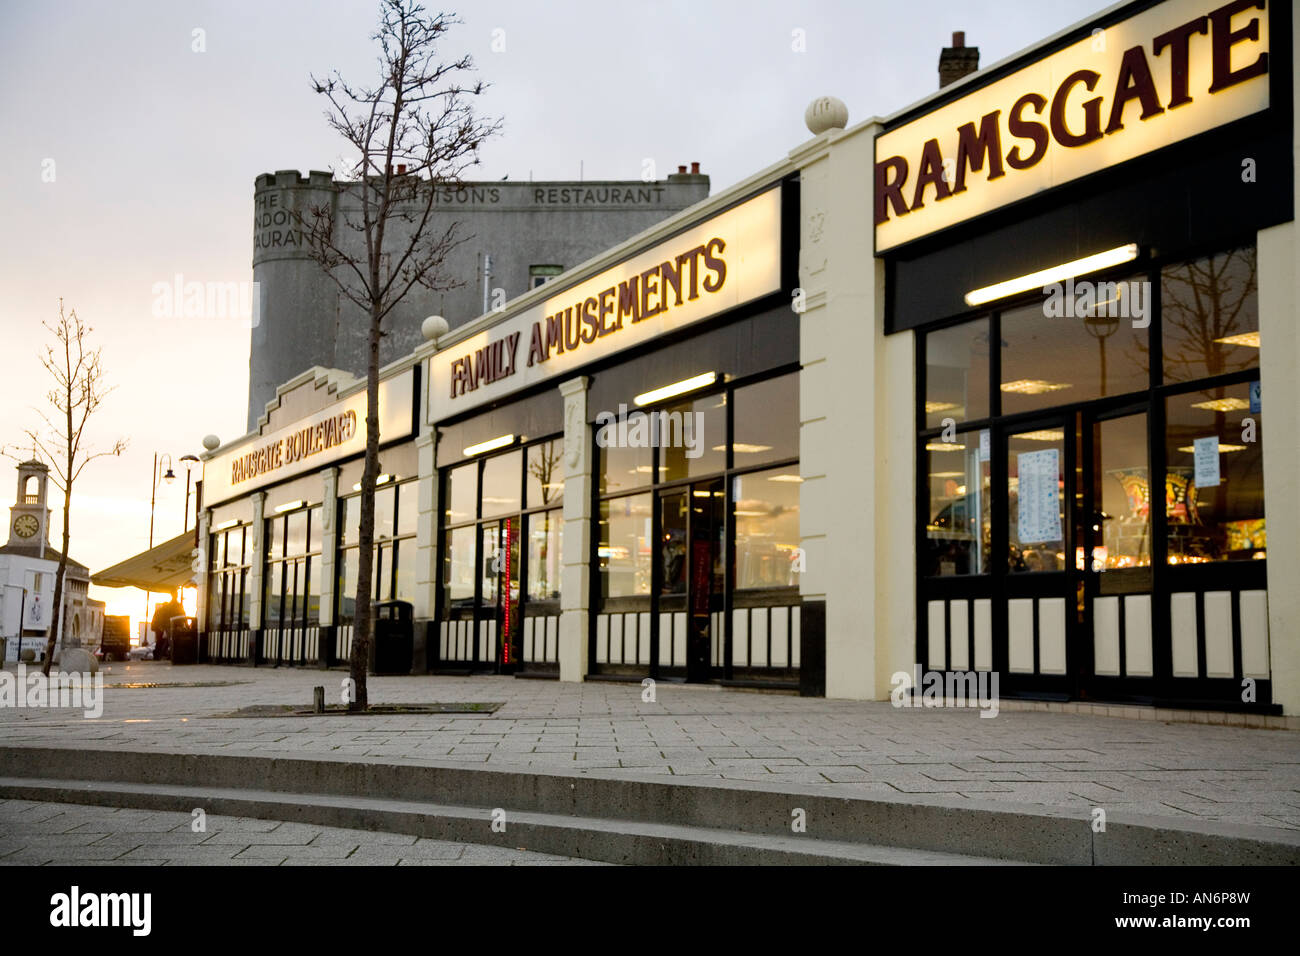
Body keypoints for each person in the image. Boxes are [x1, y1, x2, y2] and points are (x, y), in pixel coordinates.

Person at [150, 593, 184, 661]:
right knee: (165, 641)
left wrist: (161, 627)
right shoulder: (165, 610)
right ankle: (161, 655)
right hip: (161, 627)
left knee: (162, 641)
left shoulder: (160, 610)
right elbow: (160, 619)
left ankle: (160, 655)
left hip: (160, 627)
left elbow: (158, 619)